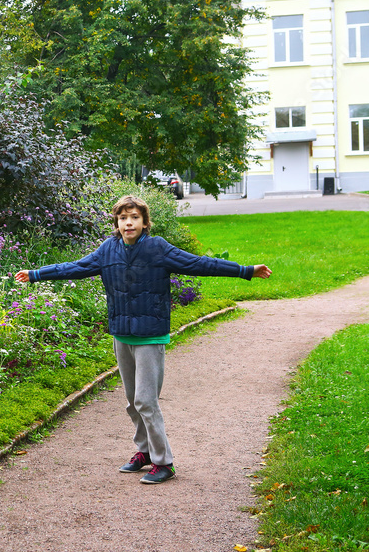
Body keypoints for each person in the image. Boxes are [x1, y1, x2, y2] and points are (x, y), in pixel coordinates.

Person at [14, 194, 271, 484]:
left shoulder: (157, 249)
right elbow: (75, 267)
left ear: (144, 222)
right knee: (131, 402)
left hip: (150, 335)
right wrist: (36, 274)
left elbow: (200, 264)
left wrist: (245, 271)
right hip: (121, 334)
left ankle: (165, 463)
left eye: (134, 217)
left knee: (146, 401)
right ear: (117, 223)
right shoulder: (107, 250)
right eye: (123, 218)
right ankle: (144, 451)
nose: (128, 223)